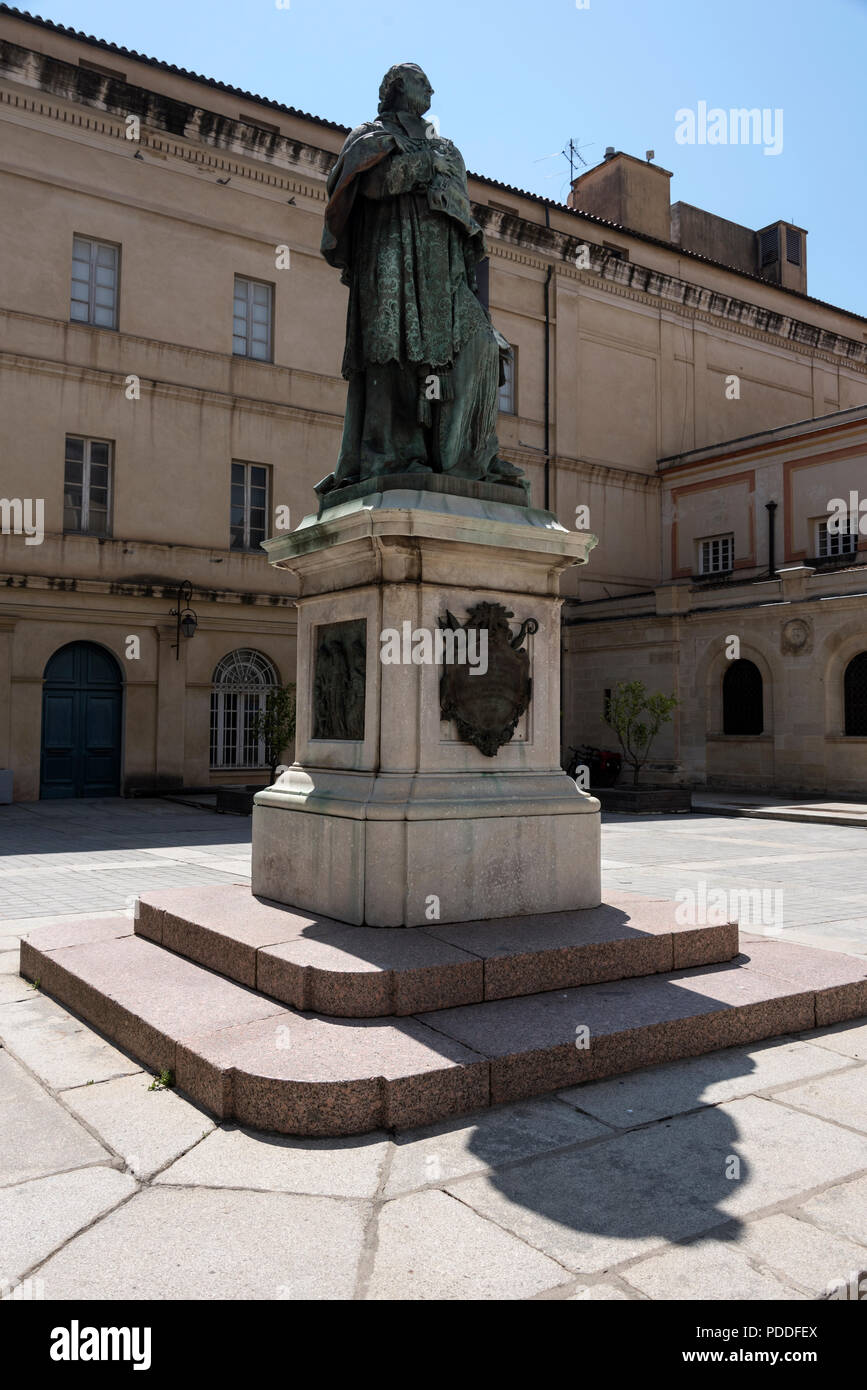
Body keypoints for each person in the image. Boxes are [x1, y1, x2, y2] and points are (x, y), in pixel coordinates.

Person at [316, 62, 528, 499]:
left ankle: (470, 457)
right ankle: (391, 455)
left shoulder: (445, 145)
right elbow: (374, 184)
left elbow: (458, 200)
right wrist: (424, 171)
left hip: (443, 265)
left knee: (482, 346)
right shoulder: (369, 136)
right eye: (419, 80)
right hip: (390, 252)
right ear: (395, 89)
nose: (430, 87)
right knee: (391, 352)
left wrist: (421, 171)